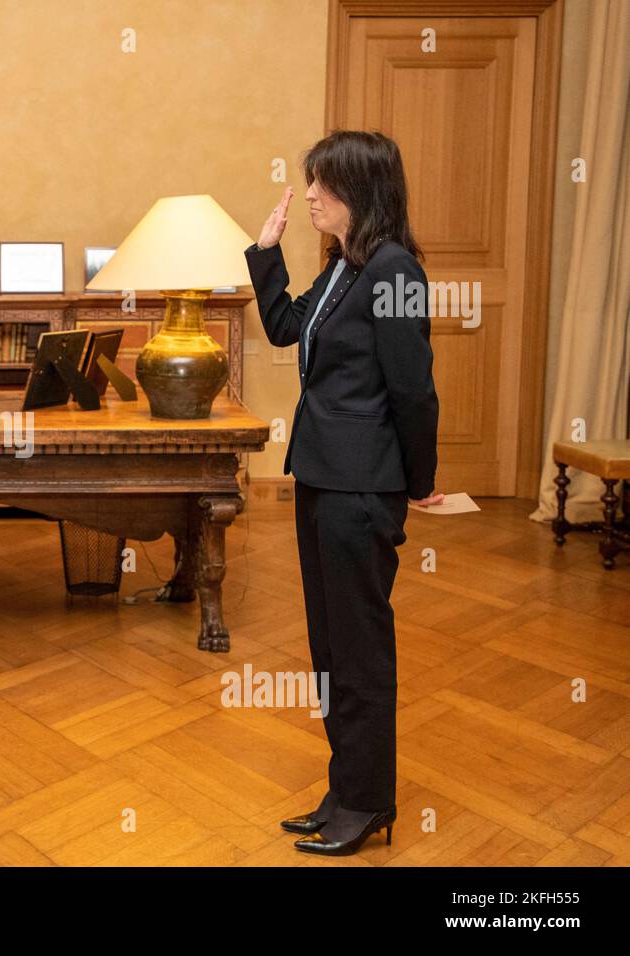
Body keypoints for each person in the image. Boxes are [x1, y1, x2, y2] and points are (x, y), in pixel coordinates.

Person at [244, 130, 442, 856]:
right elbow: (284, 328)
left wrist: (419, 482)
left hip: (361, 486)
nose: (312, 195)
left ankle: (368, 802)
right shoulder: (344, 267)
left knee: (359, 650)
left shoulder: (393, 271)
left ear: (362, 191)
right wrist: (268, 251)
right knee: (329, 647)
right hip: (322, 476)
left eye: (323, 184)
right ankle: (345, 789)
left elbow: (413, 391)